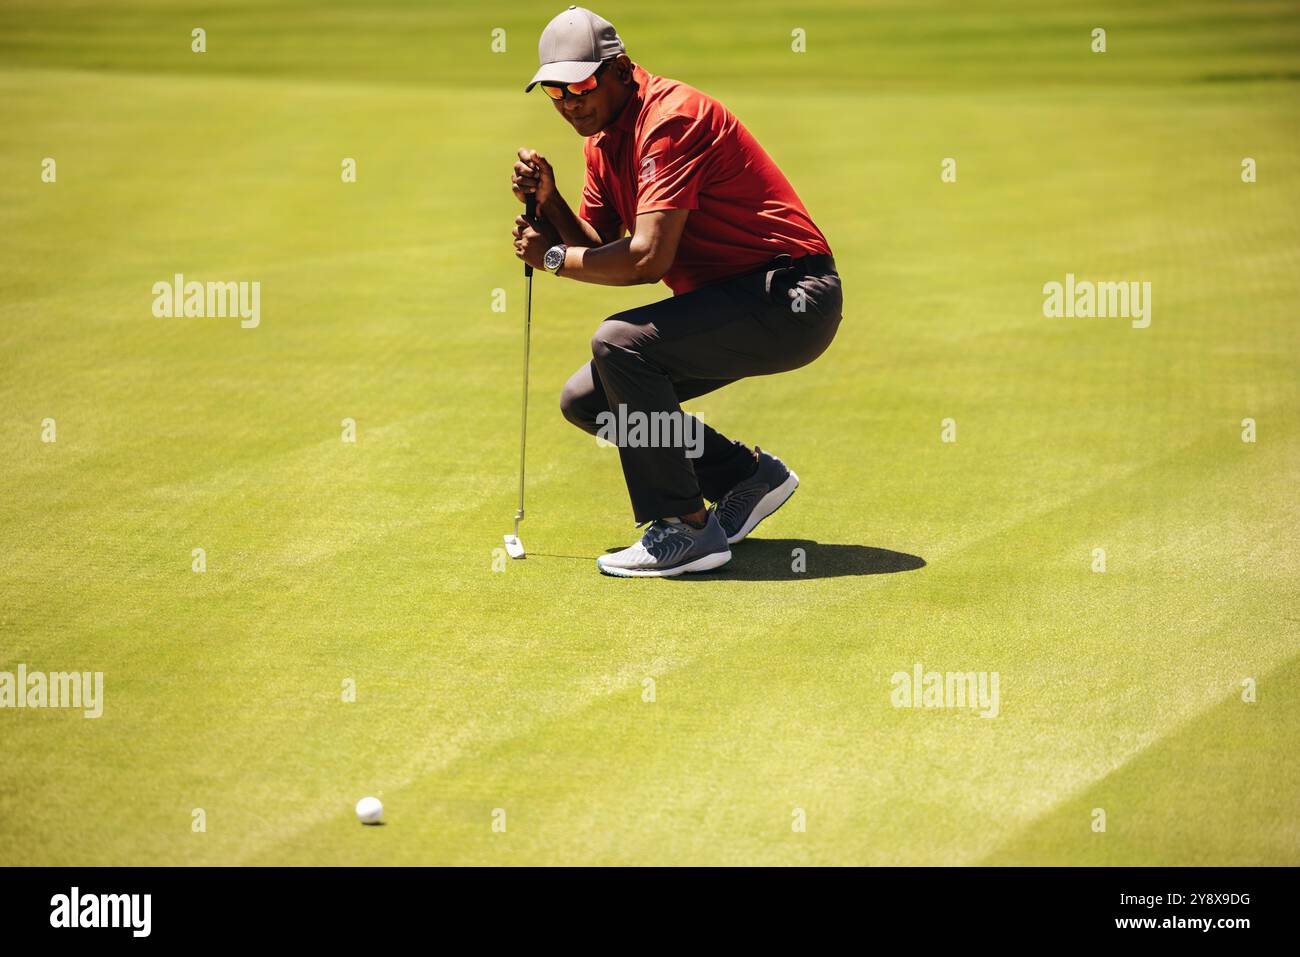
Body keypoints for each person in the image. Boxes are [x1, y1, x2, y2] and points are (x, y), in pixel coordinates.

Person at [511, 5, 843, 578]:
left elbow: (644, 259)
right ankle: (743, 475)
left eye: (581, 85)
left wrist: (555, 258)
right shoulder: (603, 140)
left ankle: (686, 529)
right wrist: (554, 202)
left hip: (790, 296)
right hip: (728, 303)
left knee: (619, 343)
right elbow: (604, 242)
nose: (570, 103)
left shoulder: (672, 118)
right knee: (588, 401)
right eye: (555, 93)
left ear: (620, 69)